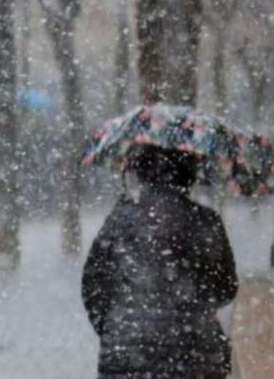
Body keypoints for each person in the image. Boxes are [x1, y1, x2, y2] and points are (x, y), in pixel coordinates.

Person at [81, 145, 238, 379]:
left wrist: (116, 326)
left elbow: (93, 285)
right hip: (195, 355)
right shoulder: (207, 222)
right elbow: (226, 289)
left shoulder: (120, 221)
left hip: (127, 355)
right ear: (190, 176)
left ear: (140, 174)